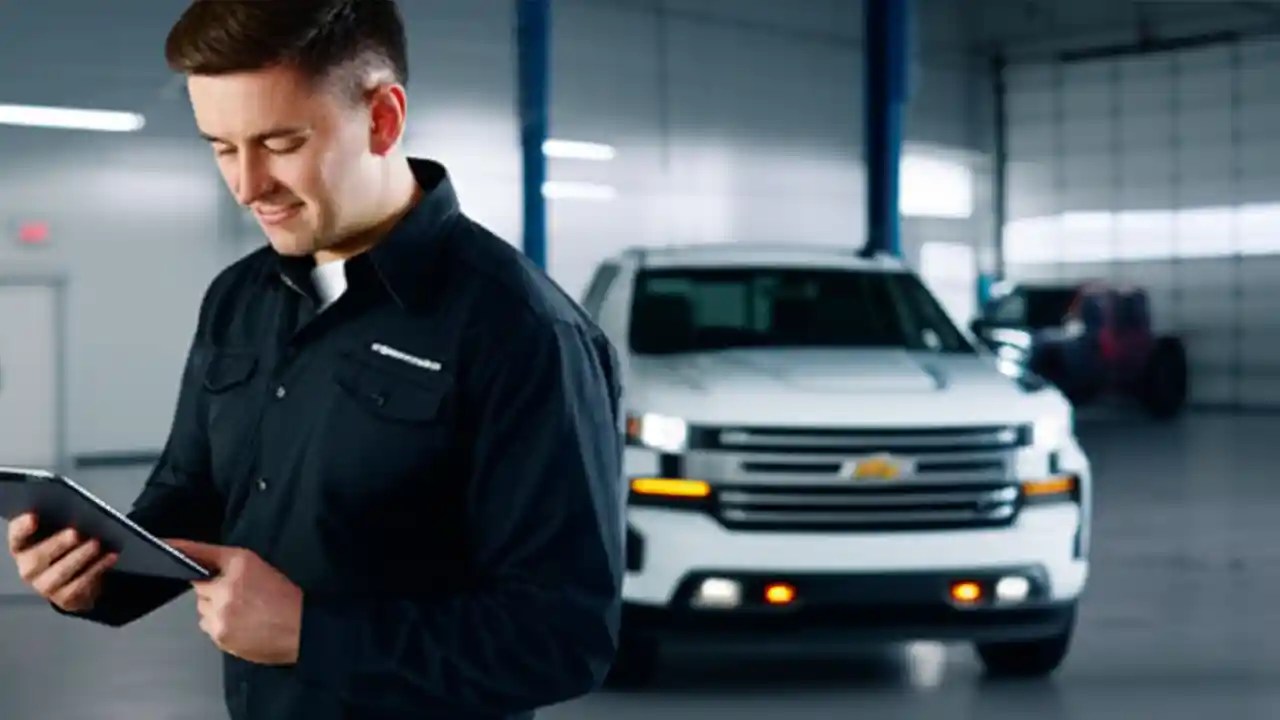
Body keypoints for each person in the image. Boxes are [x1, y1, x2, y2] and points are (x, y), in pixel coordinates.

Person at [4, 1, 626, 718]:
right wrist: (99, 576)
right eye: (221, 146)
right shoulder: (239, 297)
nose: (246, 186)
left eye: (280, 142)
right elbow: (191, 494)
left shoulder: (522, 330)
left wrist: (312, 635)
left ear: (383, 120)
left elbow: (565, 637)